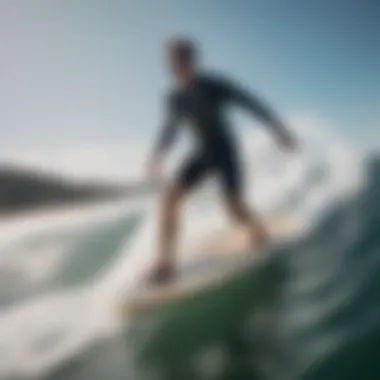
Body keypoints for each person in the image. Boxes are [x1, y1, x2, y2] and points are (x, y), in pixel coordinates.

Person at [146, 37, 297, 284]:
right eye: (170, 62)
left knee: (234, 209)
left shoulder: (214, 85)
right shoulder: (174, 98)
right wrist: (157, 154)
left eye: (178, 61)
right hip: (202, 153)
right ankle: (165, 264)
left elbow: (250, 102)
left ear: (191, 61)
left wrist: (278, 129)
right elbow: (170, 129)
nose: (173, 67)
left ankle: (258, 231)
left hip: (225, 150)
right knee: (169, 200)